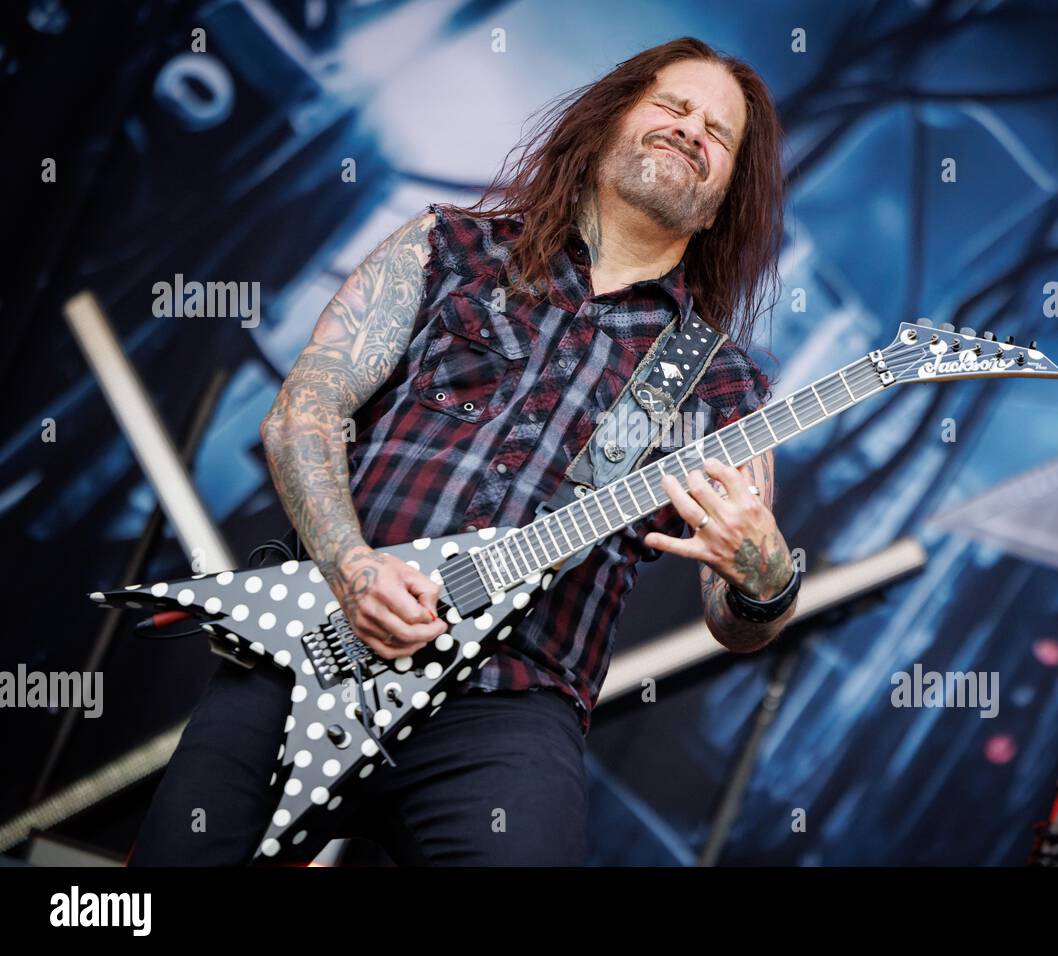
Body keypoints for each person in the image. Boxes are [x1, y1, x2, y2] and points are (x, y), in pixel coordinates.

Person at [129, 36, 799, 867]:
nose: (691, 128)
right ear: (609, 121)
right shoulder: (450, 247)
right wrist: (351, 567)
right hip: (325, 634)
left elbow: (734, 621)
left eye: (719, 133)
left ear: (721, 200)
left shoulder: (721, 384)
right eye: (672, 105)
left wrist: (764, 576)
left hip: (513, 706)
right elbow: (306, 406)